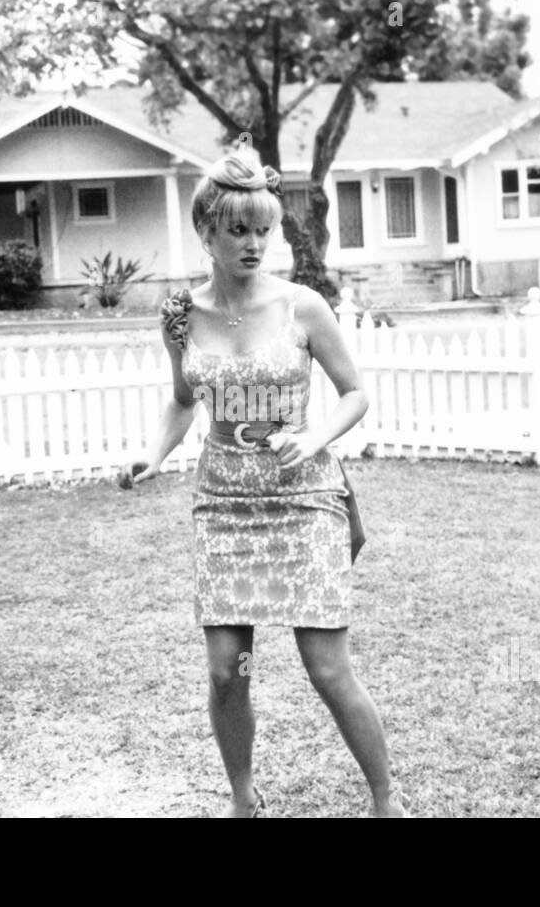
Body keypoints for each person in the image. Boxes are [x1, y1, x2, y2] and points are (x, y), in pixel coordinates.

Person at [127, 152, 406, 817]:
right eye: (238, 231)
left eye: (263, 230)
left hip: (303, 498)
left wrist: (315, 438)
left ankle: (385, 800)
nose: (254, 244)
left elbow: (354, 395)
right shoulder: (180, 315)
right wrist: (151, 456)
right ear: (206, 233)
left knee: (327, 667)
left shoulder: (302, 306)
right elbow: (181, 400)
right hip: (223, 501)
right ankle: (243, 798)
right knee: (226, 669)